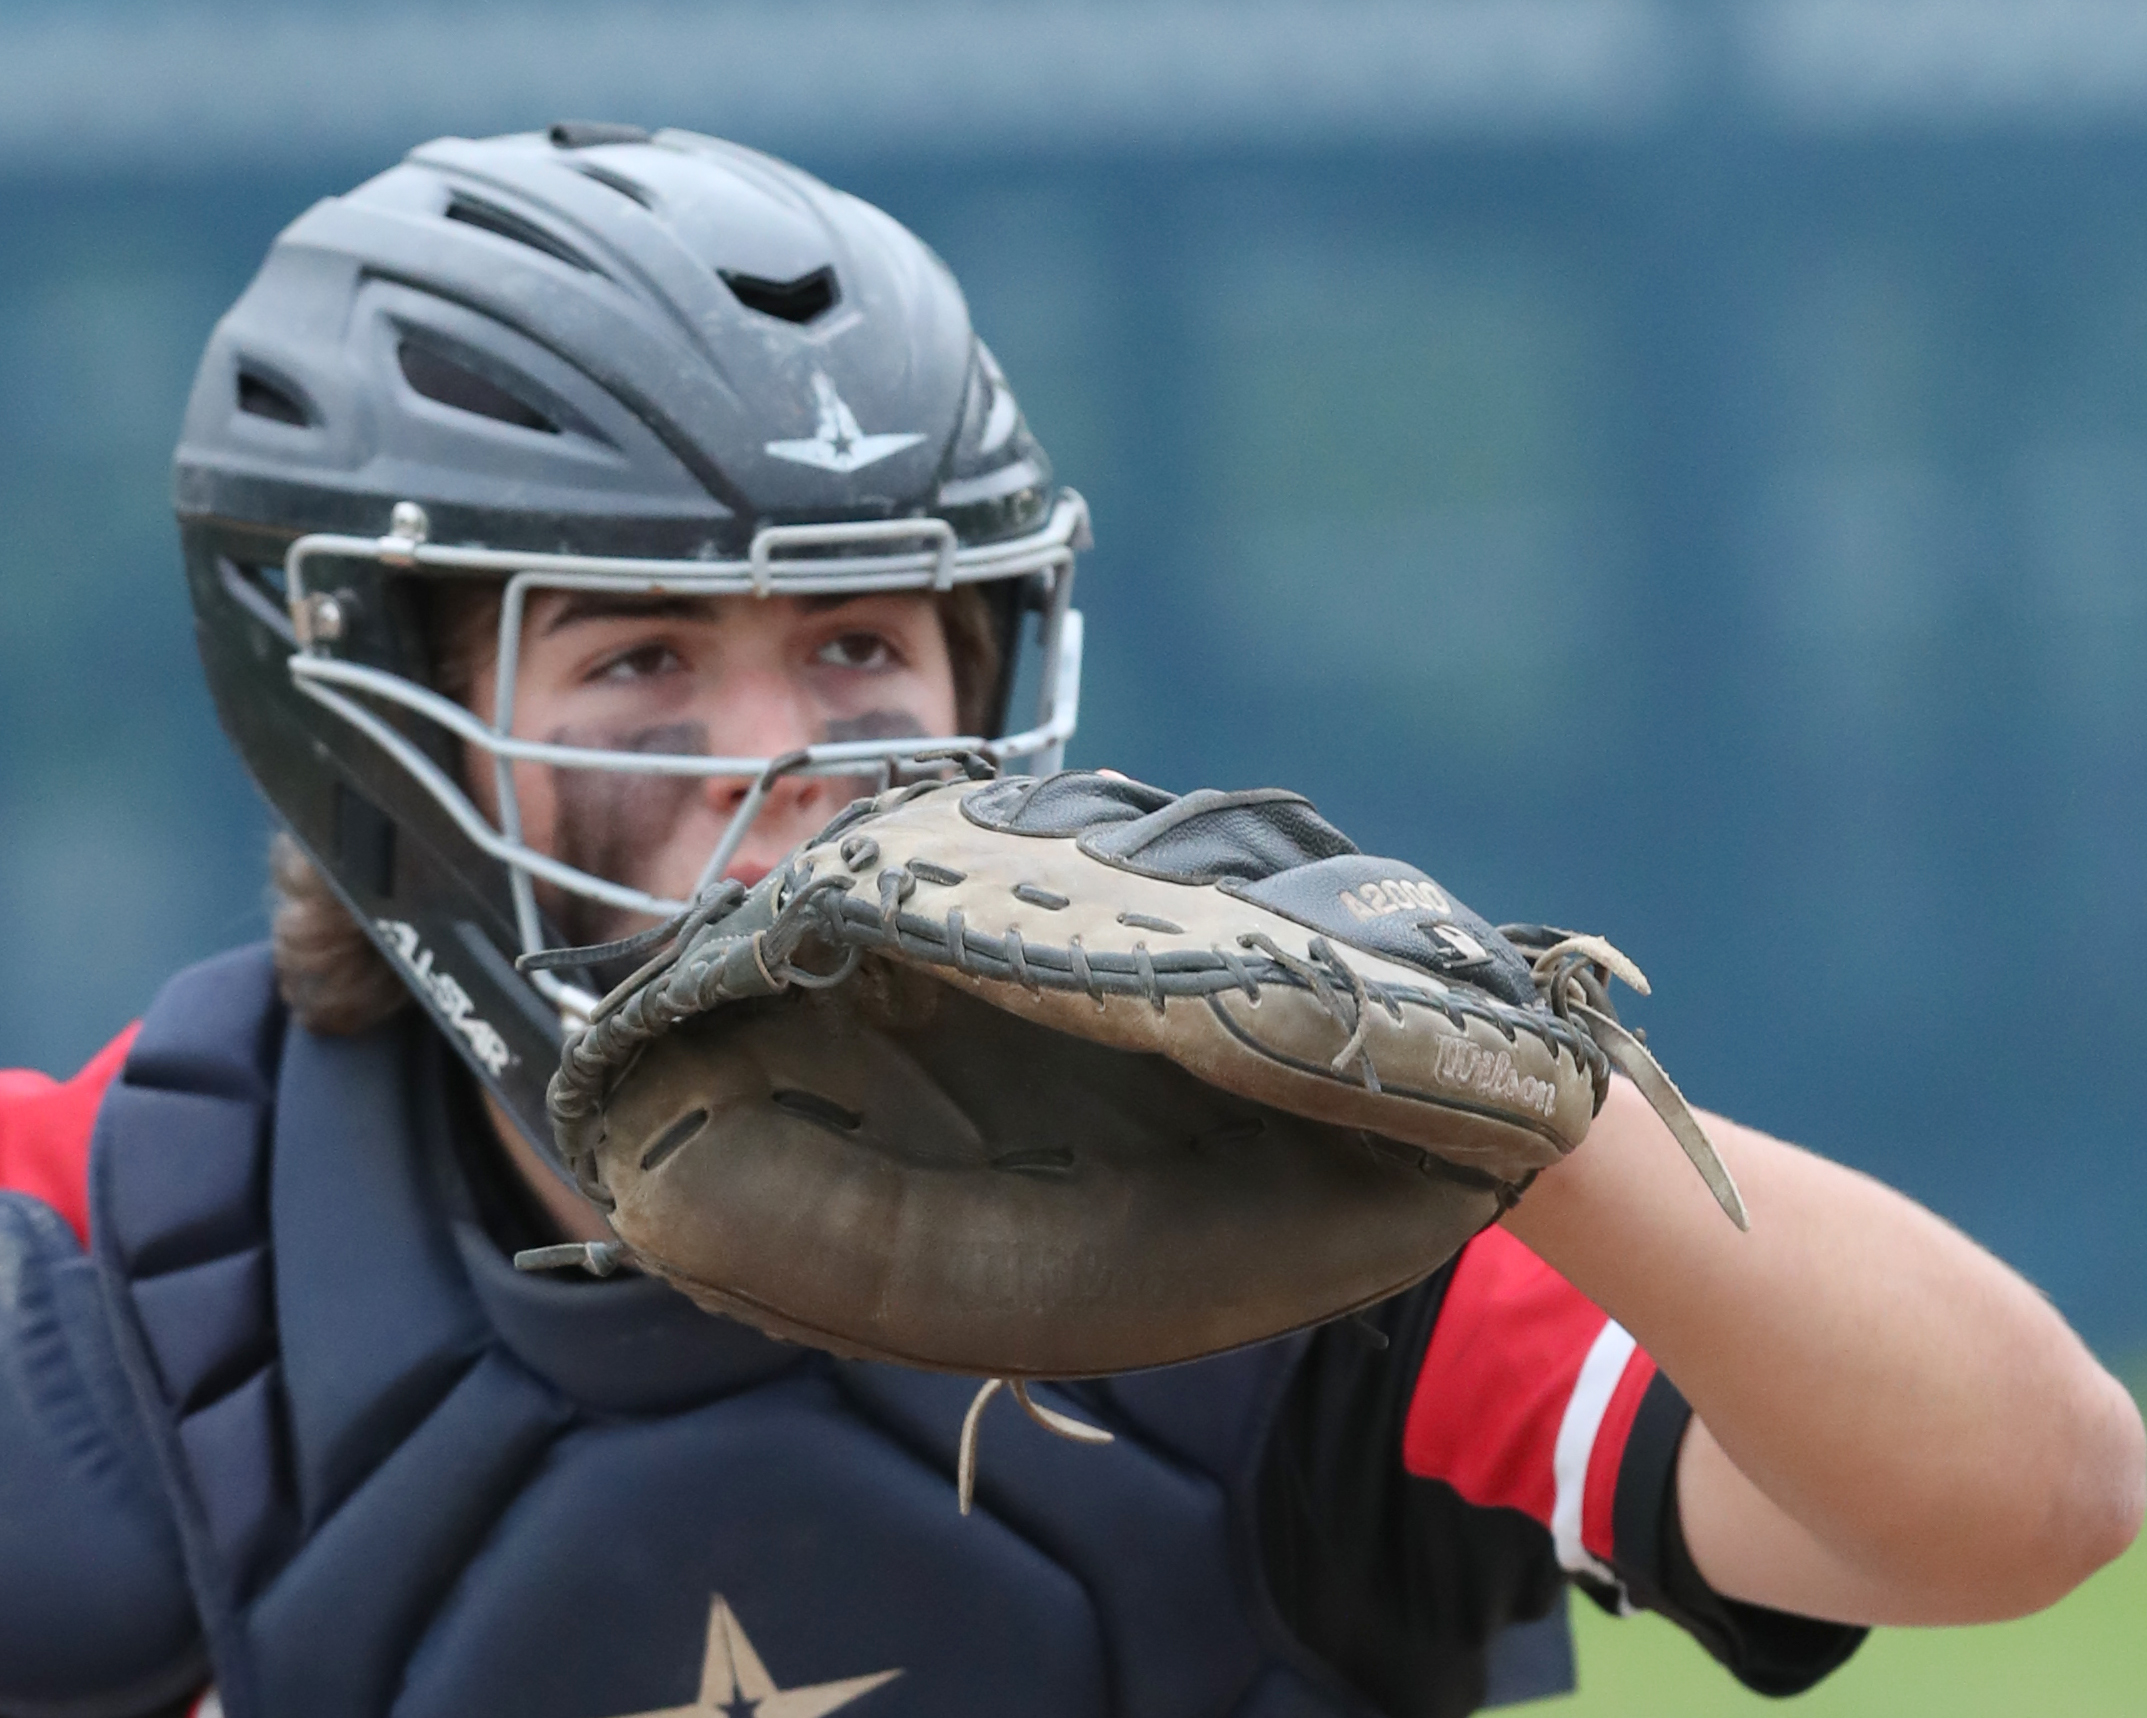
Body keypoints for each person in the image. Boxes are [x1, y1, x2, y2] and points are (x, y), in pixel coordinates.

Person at [0, 124, 2138, 1718]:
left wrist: (1528, 1114)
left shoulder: (1252, 1181)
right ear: (389, 740)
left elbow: (2033, 1505)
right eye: (641, 663)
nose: (786, 766)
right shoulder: (137, 1239)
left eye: (855, 649)